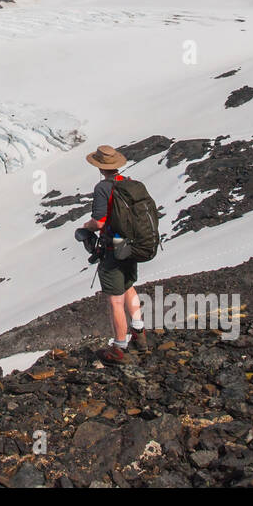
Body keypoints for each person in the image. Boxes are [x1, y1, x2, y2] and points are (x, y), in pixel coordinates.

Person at [79, 145, 148, 365]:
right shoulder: (128, 183)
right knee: (128, 286)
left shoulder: (102, 188)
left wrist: (87, 227)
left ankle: (119, 347)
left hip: (112, 248)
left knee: (115, 300)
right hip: (128, 244)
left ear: (100, 167)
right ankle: (139, 331)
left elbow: (99, 221)